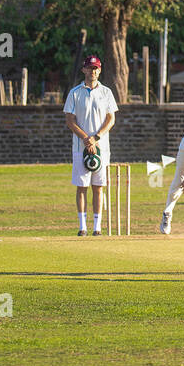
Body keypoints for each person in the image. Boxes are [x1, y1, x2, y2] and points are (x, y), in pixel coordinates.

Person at [63, 54, 117, 236]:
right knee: (82, 186)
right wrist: (86, 139)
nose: (92, 71)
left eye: (96, 68)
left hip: (102, 148)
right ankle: (82, 227)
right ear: (84, 69)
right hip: (80, 148)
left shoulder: (106, 92)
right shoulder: (75, 93)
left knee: (98, 187)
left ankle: (97, 227)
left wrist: (96, 138)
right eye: (90, 68)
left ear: (99, 71)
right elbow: (70, 120)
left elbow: (111, 119)